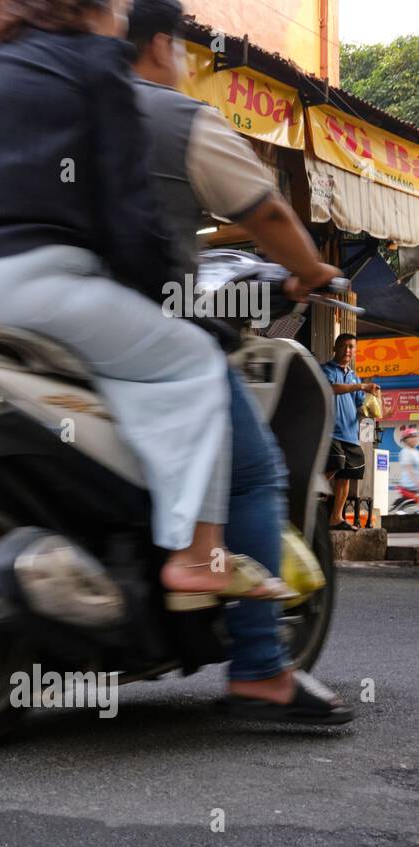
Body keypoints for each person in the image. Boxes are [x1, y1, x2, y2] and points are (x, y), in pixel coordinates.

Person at [0, 0, 282, 604]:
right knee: (189, 361)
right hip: (14, 286)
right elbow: (131, 217)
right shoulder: (96, 64)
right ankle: (199, 555)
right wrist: (168, 300)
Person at [128, 0, 350, 722]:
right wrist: (311, 272)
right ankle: (260, 667)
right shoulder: (177, 117)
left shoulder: (57, 115)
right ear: (162, 45)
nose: (189, 63)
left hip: (24, 314)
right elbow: (270, 215)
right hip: (145, 333)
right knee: (254, 469)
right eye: (187, 50)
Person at [321, 333, 380, 531]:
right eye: (343, 346)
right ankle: (312, 496)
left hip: (349, 432)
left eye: (351, 347)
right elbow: (331, 389)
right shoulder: (326, 369)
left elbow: (360, 406)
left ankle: (335, 518)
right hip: (330, 431)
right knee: (335, 463)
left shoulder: (354, 376)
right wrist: (361, 386)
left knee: (346, 475)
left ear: (355, 352)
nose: (347, 350)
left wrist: (374, 402)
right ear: (335, 348)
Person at [397, 424, 419, 500]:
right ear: (406, 439)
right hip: (411, 487)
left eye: (415, 436)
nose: (414, 439)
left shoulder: (415, 451)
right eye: (411, 437)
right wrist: (417, 483)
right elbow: (409, 470)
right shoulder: (406, 452)